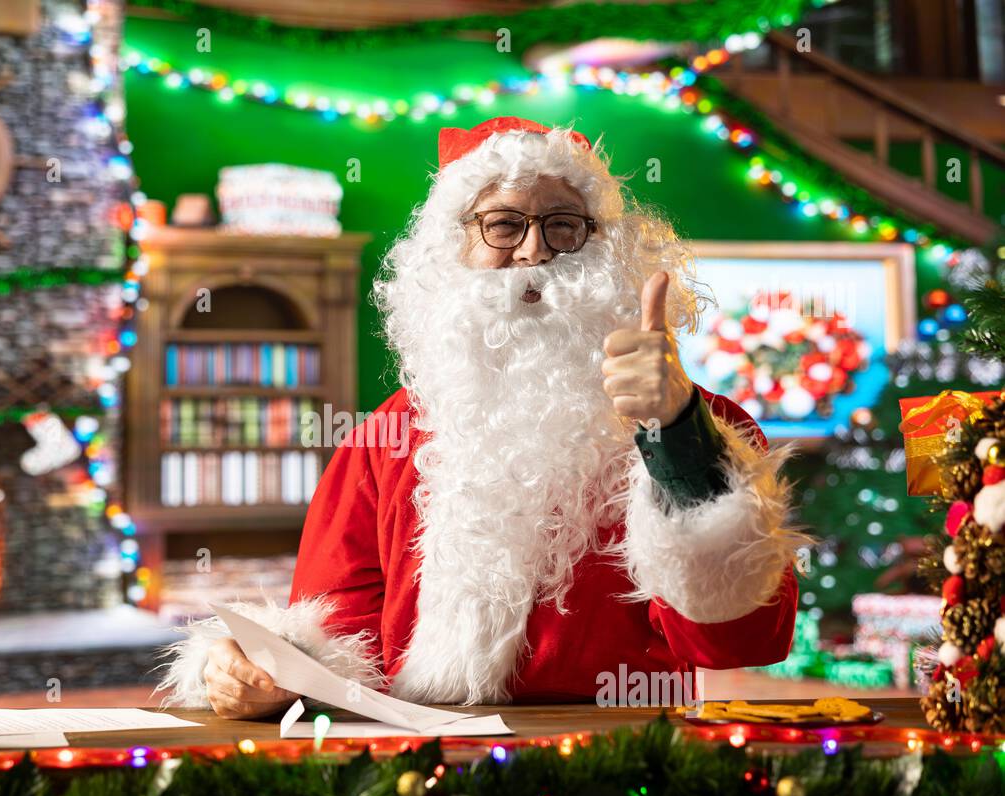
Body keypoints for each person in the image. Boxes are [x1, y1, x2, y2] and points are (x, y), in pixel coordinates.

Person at [157, 116, 806, 718]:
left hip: (623, 758)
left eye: (563, 225)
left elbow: (740, 637)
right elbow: (332, 632)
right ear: (453, 248)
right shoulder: (384, 437)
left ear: (605, 249)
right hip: (416, 769)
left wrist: (675, 433)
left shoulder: (702, 424)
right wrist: (260, 673)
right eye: (502, 225)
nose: (533, 252)